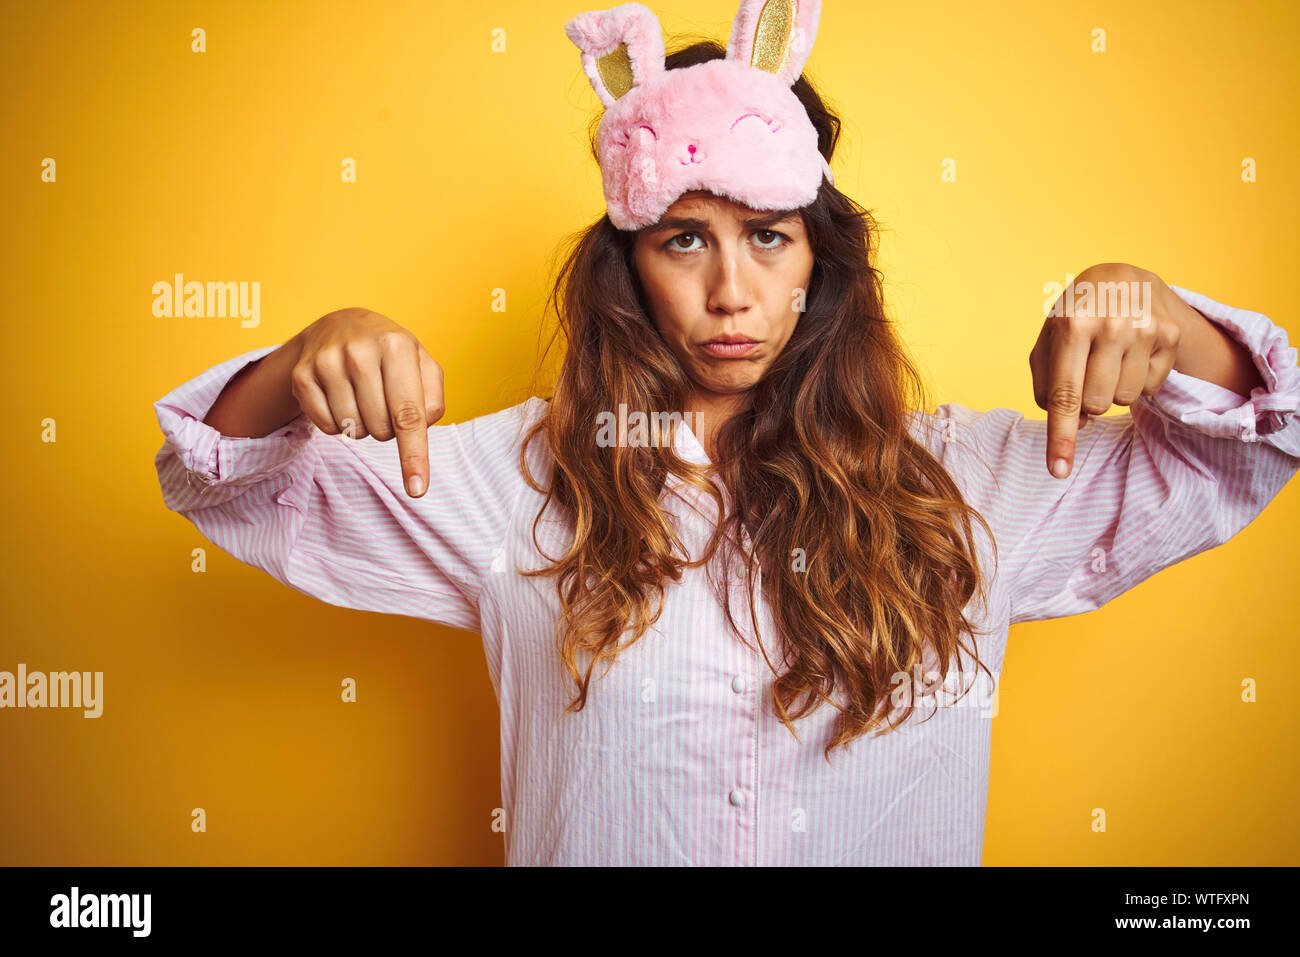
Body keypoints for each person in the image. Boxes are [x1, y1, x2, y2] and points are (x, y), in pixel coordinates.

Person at [151, 0, 1299, 865]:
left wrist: (1158, 311)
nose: (732, 293)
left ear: (823, 262)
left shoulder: (978, 483)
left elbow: (1238, 446)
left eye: (769, 237)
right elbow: (230, 481)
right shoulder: (512, 484)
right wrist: (305, 362)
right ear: (628, 268)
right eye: (684, 240)